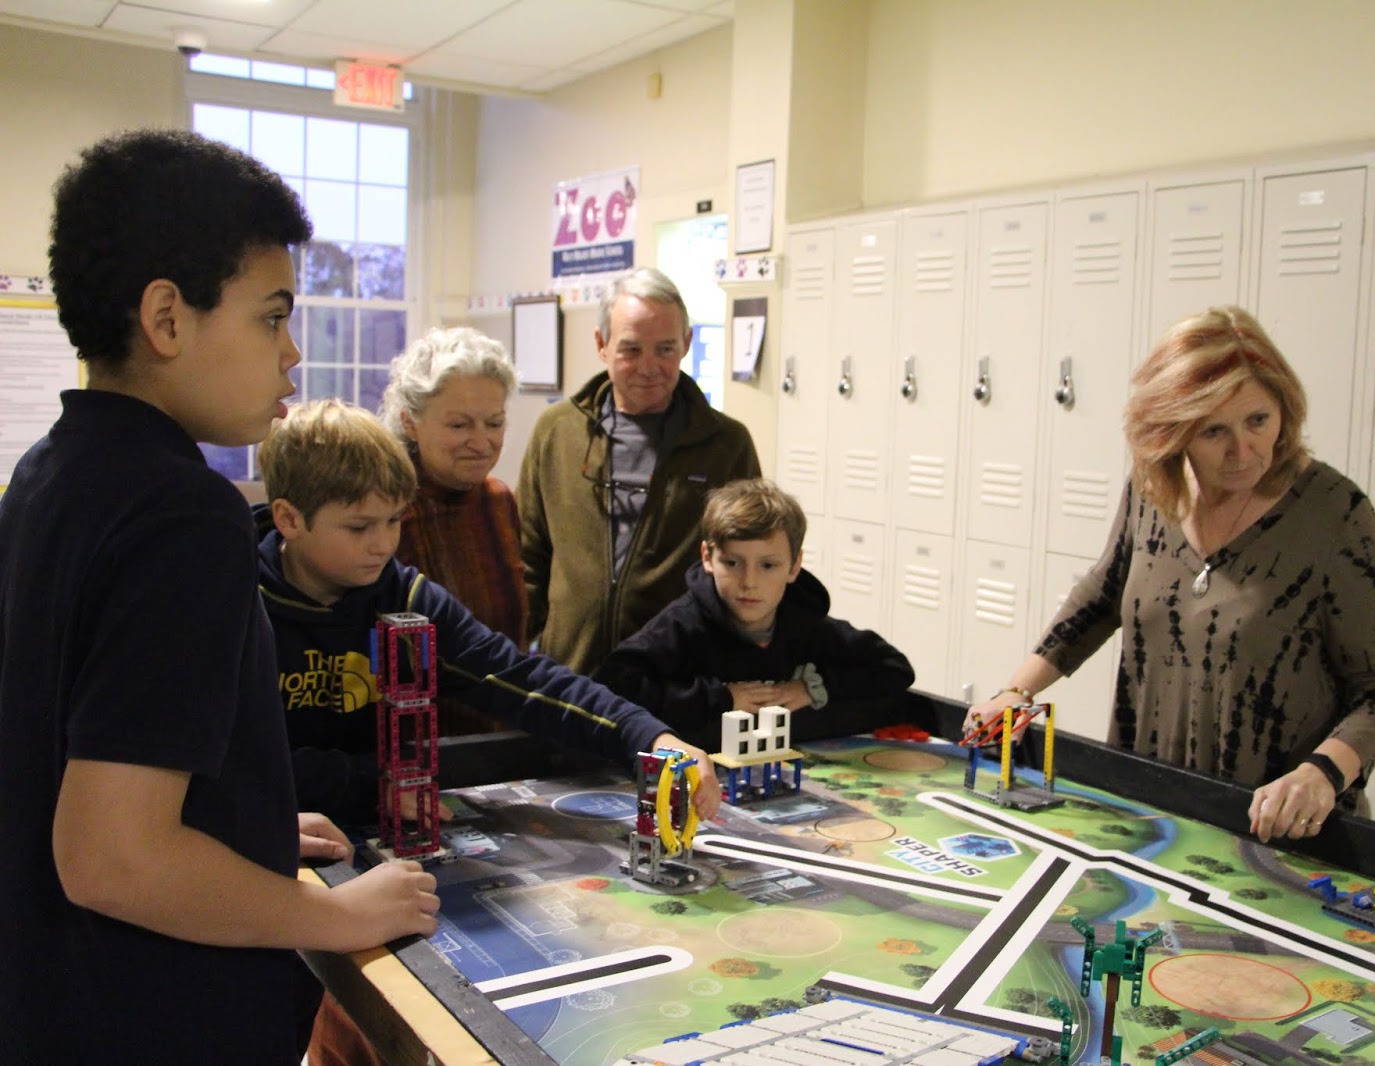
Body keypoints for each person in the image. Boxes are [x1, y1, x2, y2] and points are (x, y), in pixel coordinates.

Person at [0, 128, 439, 1065]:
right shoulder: (182, 512)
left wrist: (234, 825)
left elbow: (87, 756)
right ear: (167, 318)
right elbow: (112, 857)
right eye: (270, 316)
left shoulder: (49, 476)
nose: (290, 354)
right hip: (147, 1016)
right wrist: (328, 919)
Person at [968, 306, 1375, 844]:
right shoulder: (1155, 490)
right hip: (1155, 810)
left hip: (1281, 830)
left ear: (1284, 409)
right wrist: (1017, 691)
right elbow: (1106, 591)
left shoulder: (1333, 514)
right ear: (1173, 433)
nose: (1243, 450)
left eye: (1259, 420)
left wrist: (1322, 774)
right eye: (1213, 431)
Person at [255, 398, 721, 828]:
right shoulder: (234, 606)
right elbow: (234, 761)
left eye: (394, 520)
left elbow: (524, 681)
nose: (383, 544)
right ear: (289, 519)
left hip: (379, 820)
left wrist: (651, 737)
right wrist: (369, 784)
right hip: (265, 828)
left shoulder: (407, 598)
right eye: (359, 527)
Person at [517, 266, 761, 676]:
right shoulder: (557, 432)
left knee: (661, 747)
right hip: (568, 674)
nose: (649, 366)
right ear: (602, 344)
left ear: (686, 344)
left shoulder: (726, 444)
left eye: (664, 349)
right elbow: (528, 553)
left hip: (676, 679)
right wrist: (526, 646)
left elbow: (747, 564)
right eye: (631, 349)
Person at [597, 478, 918, 753]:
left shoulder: (807, 622)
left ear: (794, 566)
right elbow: (614, 684)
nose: (749, 582)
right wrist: (720, 697)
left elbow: (893, 669)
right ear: (708, 557)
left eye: (768, 565)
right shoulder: (683, 623)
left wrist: (811, 689)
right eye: (733, 563)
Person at [380, 326, 524, 734]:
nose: (481, 442)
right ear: (410, 422)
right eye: (460, 426)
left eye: (494, 423)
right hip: (406, 749)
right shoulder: (383, 511)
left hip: (498, 739)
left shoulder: (498, 500)